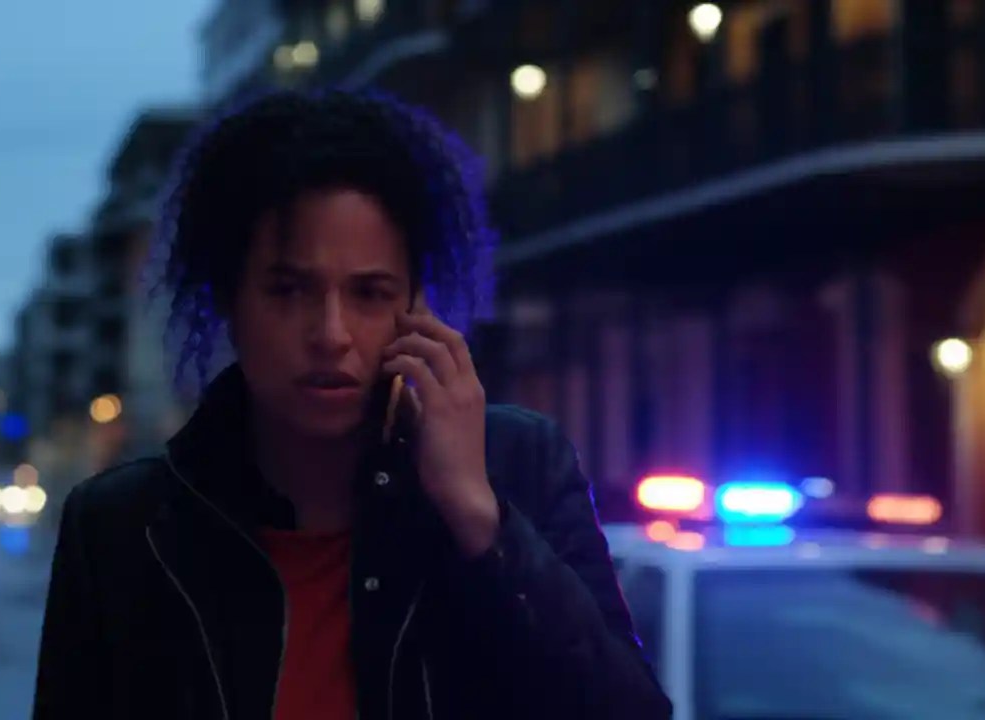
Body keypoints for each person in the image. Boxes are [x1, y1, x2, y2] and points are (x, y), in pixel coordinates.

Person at [33, 88, 672, 720]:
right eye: (289, 290)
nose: (331, 334)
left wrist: (479, 518)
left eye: (369, 293)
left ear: (415, 307)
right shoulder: (122, 530)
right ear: (229, 299)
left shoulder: (522, 468)